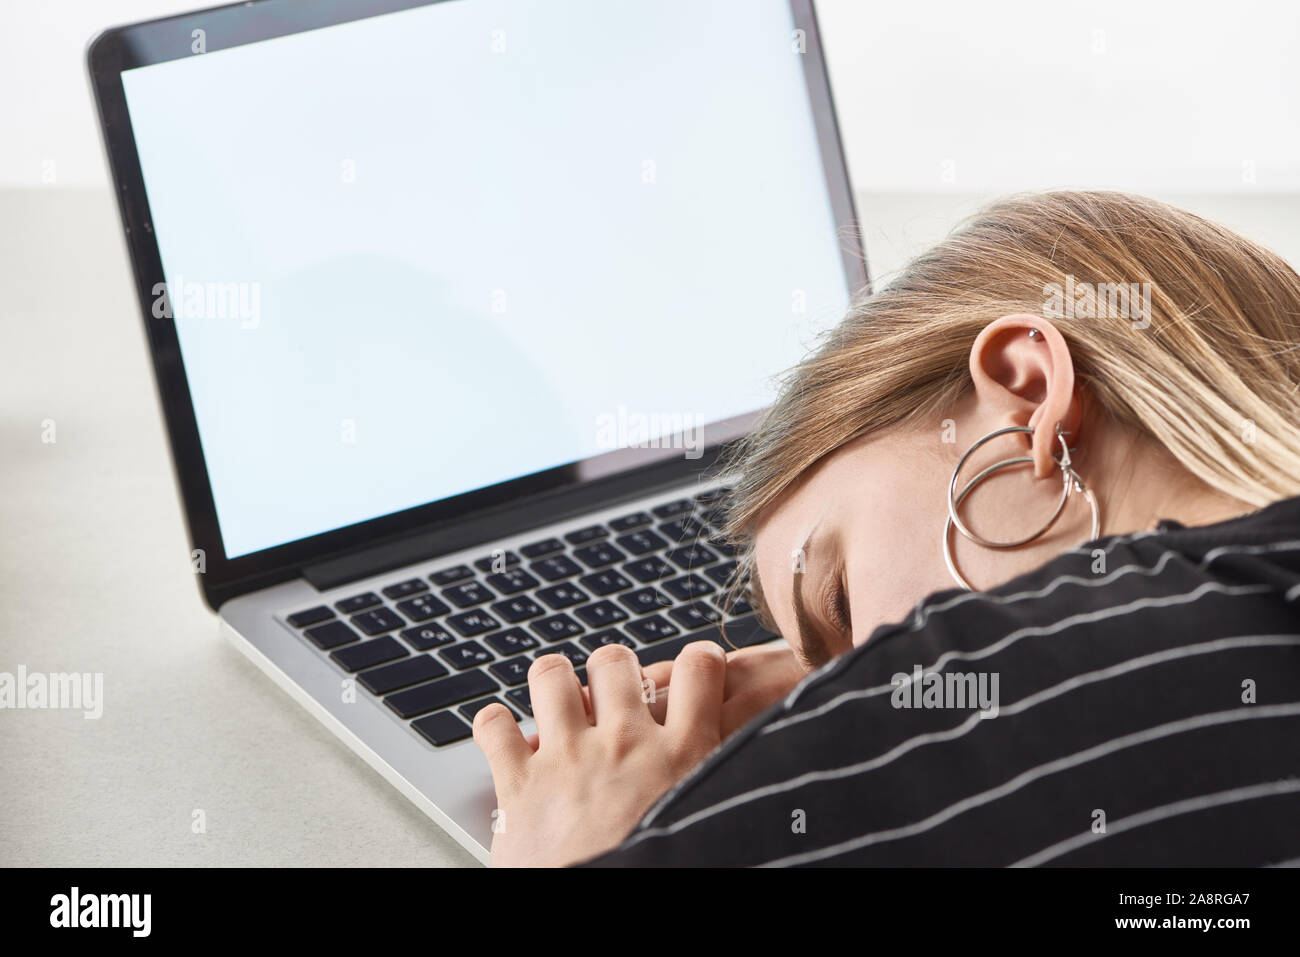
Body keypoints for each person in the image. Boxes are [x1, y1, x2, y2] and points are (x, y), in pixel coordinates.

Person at [471, 191, 1300, 866]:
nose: (847, 687)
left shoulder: (1001, 678)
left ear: (1026, 393)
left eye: (835, 592)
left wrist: (581, 840)